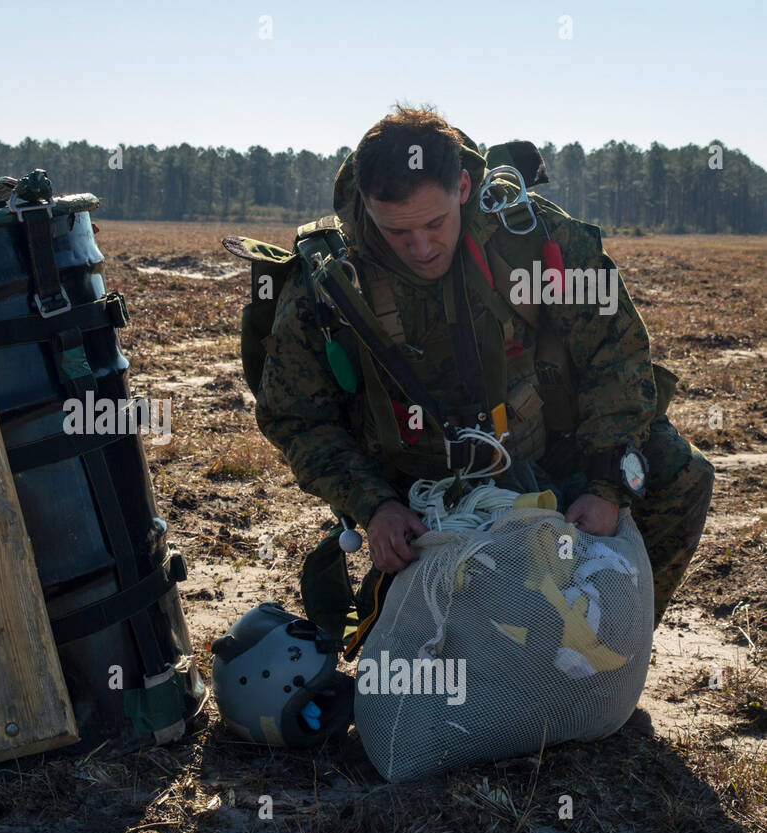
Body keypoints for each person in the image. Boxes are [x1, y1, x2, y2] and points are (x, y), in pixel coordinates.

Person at [254, 106, 714, 630]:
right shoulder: (328, 282)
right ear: (365, 205)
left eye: (434, 223)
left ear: (464, 188)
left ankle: (612, 648)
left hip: (548, 448)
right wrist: (375, 505)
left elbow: (617, 353)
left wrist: (607, 485)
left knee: (681, 471)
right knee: (455, 637)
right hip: (419, 487)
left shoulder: (531, 237)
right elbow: (295, 418)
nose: (422, 248)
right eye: (397, 232)